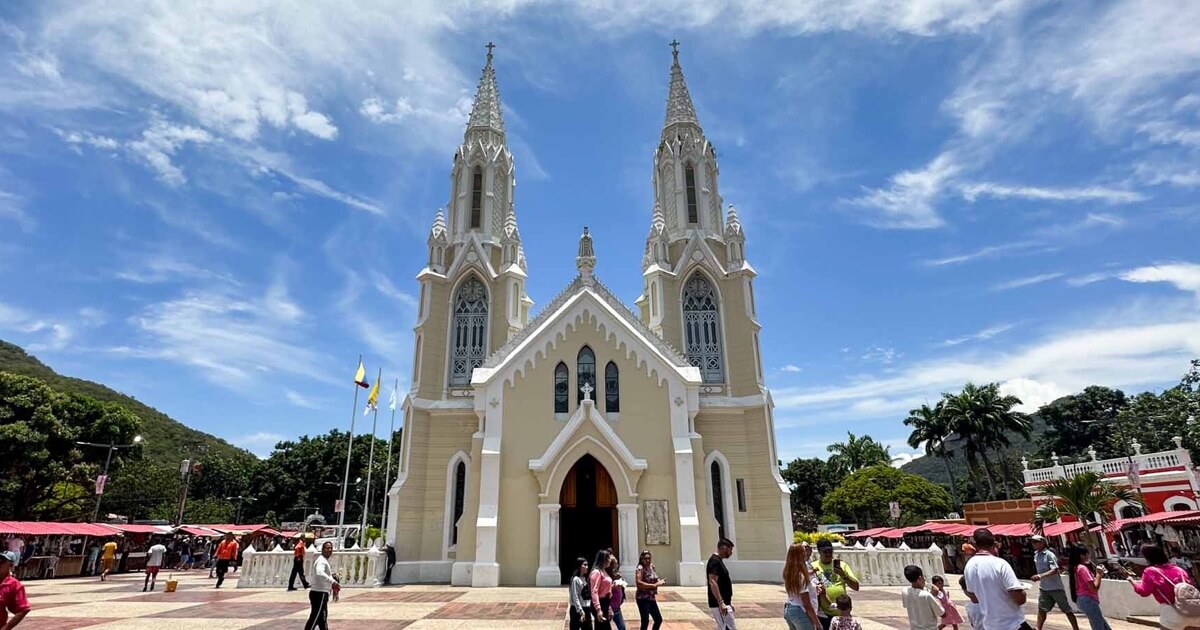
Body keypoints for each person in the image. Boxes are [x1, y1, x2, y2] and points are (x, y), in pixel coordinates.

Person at [963, 528, 1030, 630]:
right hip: (1012, 624)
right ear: (994, 544)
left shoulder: (969, 566)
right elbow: (1019, 598)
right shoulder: (1000, 563)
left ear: (975, 545)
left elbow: (974, 598)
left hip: (990, 625)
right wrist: (1023, 592)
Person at [1126, 543, 1200, 630]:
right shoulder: (1179, 570)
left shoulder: (1150, 571)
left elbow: (1144, 592)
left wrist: (1133, 582)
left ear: (1148, 558)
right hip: (1194, 613)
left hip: (1172, 613)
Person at [1029, 535, 1079, 630]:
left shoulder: (1049, 555)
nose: (1033, 544)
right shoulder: (1036, 555)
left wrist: (1040, 576)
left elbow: (1055, 570)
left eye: (1035, 542)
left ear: (1042, 543)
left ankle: (1076, 628)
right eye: (1032, 542)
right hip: (1044, 588)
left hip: (1056, 588)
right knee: (1041, 609)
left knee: (1066, 610)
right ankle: (1038, 628)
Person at [812, 539, 860, 629]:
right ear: (819, 551)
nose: (828, 554)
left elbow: (856, 587)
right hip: (823, 614)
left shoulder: (842, 565)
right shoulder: (813, 567)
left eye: (830, 551)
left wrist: (843, 575)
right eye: (825, 552)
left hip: (842, 613)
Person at [1067, 545, 1110, 630]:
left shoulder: (1075, 568)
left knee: (1102, 624)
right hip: (1088, 600)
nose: (1089, 557)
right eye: (1088, 554)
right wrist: (1098, 575)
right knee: (1098, 626)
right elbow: (1094, 588)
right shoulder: (1082, 568)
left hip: (1081, 599)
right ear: (1082, 556)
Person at [782, 542, 822, 630]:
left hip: (790, 608)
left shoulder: (790, 573)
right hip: (800, 611)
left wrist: (814, 587)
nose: (807, 553)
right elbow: (807, 604)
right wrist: (818, 624)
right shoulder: (801, 577)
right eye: (804, 551)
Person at [305, 542, 337, 630]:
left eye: (331, 548)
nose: (329, 550)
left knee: (322, 618)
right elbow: (319, 573)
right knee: (315, 617)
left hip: (321, 592)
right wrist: (332, 581)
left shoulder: (323, 560)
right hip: (319, 593)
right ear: (322, 549)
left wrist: (332, 576)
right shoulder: (321, 561)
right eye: (327, 548)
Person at [903, 565, 945, 630]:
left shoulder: (905, 592)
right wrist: (935, 596)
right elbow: (942, 613)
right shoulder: (927, 595)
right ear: (920, 578)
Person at [707, 538, 736, 630]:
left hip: (724, 602)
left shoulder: (718, 561)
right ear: (724, 548)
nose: (731, 552)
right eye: (730, 549)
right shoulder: (715, 561)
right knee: (728, 628)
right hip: (718, 604)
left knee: (724, 627)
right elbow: (713, 582)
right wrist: (721, 602)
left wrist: (728, 602)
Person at [635, 550, 664, 630]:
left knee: (658, 619)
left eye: (649, 558)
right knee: (645, 621)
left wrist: (659, 581)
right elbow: (639, 583)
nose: (647, 560)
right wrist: (654, 585)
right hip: (642, 598)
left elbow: (655, 576)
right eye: (645, 558)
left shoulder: (651, 566)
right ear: (641, 559)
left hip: (651, 597)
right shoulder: (640, 568)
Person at [0, 552, 30, 629]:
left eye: (2, 561)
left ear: (11, 565)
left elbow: (23, 609)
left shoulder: (13, 585)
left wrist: (5, 628)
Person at [591, 549, 614, 630]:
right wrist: (598, 609)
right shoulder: (597, 572)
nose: (610, 560)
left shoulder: (604, 571)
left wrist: (609, 608)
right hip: (600, 603)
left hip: (606, 602)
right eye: (608, 558)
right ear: (604, 559)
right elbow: (594, 591)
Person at [568, 557, 592, 630]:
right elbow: (575, 597)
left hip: (586, 608)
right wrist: (581, 611)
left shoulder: (586, 579)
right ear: (579, 566)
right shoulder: (575, 580)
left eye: (587, 565)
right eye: (584, 565)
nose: (587, 567)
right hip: (577, 610)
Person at [609, 556, 628, 630]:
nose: (617, 565)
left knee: (622, 628)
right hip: (610, 607)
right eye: (616, 563)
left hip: (617, 607)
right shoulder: (607, 576)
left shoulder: (616, 574)